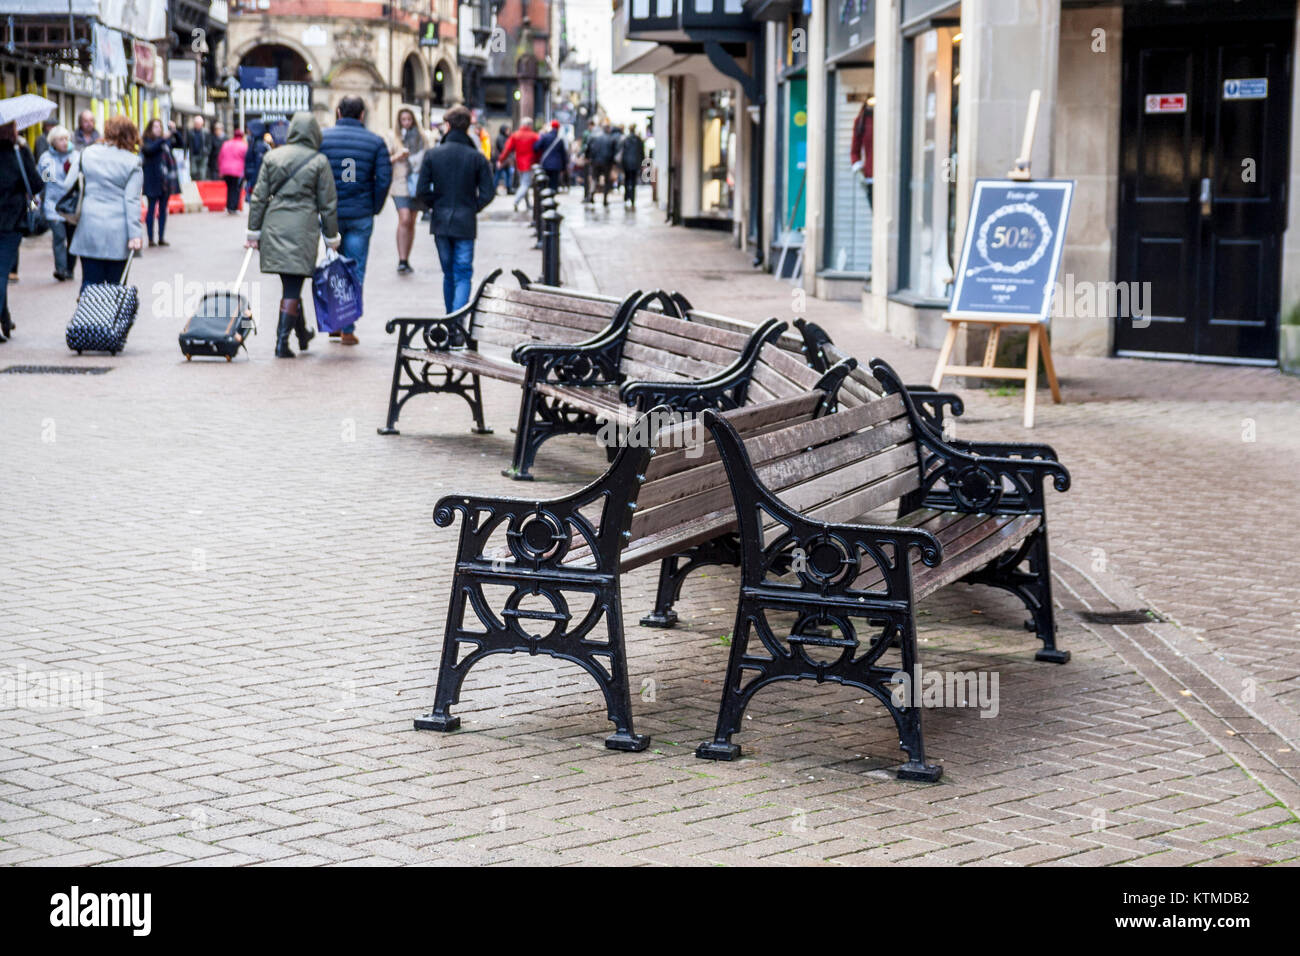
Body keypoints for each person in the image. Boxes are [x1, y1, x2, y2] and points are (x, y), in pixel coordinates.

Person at [246, 112, 341, 359]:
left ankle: (302, 335)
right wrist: (332, 238)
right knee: (292, 286)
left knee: (291, 283)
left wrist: (253, 231)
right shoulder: (319, 161)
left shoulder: (272, 156)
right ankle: (281, 343)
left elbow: (258, 197)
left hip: (274, 226)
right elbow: (328, 204)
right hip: (302, 228)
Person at [319, 95, 391, 345]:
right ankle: (347, 326)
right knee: (355, 269)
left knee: (331, 266)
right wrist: (374, 206)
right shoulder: (375, 142)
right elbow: (383, 179)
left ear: (338, 112)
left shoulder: (323, 139)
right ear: (362, 115)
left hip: (331, 214)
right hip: (361, 213)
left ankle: (333, 323)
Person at [414, 104, 493, 313]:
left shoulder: (433, 155)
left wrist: (436, 205)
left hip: (441, 220)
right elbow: (488, 192)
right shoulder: (477, 157)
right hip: (465, 221)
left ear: (447, 125)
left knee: (449, 274)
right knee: (463, 273)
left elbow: (421, 190)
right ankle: (456, 323)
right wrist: (472, 206)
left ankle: (450, 320)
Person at [64, 114, 143, 292]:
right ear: (130, 135)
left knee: (90, 283)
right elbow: (131, 201)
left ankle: (88, 317)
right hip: (118, 232)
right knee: (116, 287)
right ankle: (111, 319)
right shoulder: (133, 162)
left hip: (89, 225)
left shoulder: (86, 153)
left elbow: (68, 184)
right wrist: (135, 235)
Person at [0, 119, 42, 341]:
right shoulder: (19, 152)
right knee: (1, 271)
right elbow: (36, 184)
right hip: (11, 220)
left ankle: (4, 318)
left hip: (9, 220)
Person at [386, 105, 428, 275]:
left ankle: (406, 259)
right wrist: (398, 156)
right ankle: (401, 259)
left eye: (409, 119)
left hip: (417, 183)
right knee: (403, 219)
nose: (406, 123)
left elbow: (428, 156)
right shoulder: (392, 137)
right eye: (403, 119)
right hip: (400, 183)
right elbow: (385, 159)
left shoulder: (423, 137)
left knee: (411, 220)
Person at [38, 125, 76, 280]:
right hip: (53, 205)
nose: (65, 142)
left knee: (72, 239)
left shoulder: (75, 156)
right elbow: (45, 180)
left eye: (66, 138)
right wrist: (48, 171)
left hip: (71, 206)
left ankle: (70, 269)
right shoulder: (46, 158)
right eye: (61, 139)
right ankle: (60, 269)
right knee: (59, 237)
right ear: (53, 141)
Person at [140, 118, 176, 247]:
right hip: (151, 179)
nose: (158, 129)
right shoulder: (146, 141)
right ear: (150, 128)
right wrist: (162, 139)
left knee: (163, 210)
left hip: (164, 180)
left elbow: (181, 143)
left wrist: (174, 131)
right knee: (151, 209)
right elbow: (149, 150)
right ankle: (150, 238)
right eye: (155, 127)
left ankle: (161, 237)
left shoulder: (165, 142)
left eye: (160, 127)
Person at [498, 117, 539, 212]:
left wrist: (501, 159)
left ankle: (527, 203)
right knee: (526, 184)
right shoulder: (534, 136)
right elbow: (539, 149)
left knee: (523, 184)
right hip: (529, 162)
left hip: (519, 163)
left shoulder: (515, 135)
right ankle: (516, 201)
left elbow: (507, 149)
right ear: (529, 125)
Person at [585, 124, 617, 206]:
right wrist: (613, 163)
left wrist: (588, 157)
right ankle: (605, 199)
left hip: (595, 162)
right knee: (606, 181)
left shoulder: (594, 137)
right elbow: (614, 152)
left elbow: (588, 148)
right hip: (606, 162)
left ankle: (592, 193)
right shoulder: (611, 138)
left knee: (595, 178)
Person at [217, 129, 247, 213]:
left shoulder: (226, 144)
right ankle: (233, 207)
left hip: (225, 170)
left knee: (230, 188)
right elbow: (246, 159)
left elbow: (220, 157)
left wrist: (220, 170)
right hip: (237, 171)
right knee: (236, 189)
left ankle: (229, 206)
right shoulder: (243, 145)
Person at [535, 120, 568, 189]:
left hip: (546, 163)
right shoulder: (559, 140)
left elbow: (536, 147)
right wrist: (564, 167)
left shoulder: (544, 137)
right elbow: (563, 155)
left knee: (545, 181)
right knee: (554, 183)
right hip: (556, 165)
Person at [619, 124, 644, 209]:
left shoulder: (625, 139)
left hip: (626, 163)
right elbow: (642, 153)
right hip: (635, 164)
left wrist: (622, 164)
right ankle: (632, 198)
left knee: (626, 181)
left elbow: (622, 152)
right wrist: (641, 164)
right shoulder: (638, 140)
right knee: (633, 182)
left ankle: (626, 197)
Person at [244, 123, 271, 202]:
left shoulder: (258, 145)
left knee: (254, 202)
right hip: (253, 178)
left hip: (254, 179)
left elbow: (258, 165)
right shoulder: (254, 143)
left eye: (249, 129)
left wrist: (253, 182)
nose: (247, 131)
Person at [186, 115, 211, 182]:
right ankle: (195, 184)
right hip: (194, 154)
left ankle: (201, 186)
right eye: (196, 123)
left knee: (202, 172)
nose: (197, 125)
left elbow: (209, 144)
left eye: (199, 124)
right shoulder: (190, 132)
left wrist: (207, 151)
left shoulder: (206, 132)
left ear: (202, 124)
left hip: (203, 155)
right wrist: (185, 154)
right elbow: (187, 143)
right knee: (193, 172)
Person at [493, 123, 513, 194]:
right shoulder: (500, 138)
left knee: (508, 174)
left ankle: (508, 188)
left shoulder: (506, 137)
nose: (508, 131)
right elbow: (503, 149)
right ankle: (494, 188)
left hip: (505, 160)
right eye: (507, 130)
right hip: (501, 160)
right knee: (498, 174)